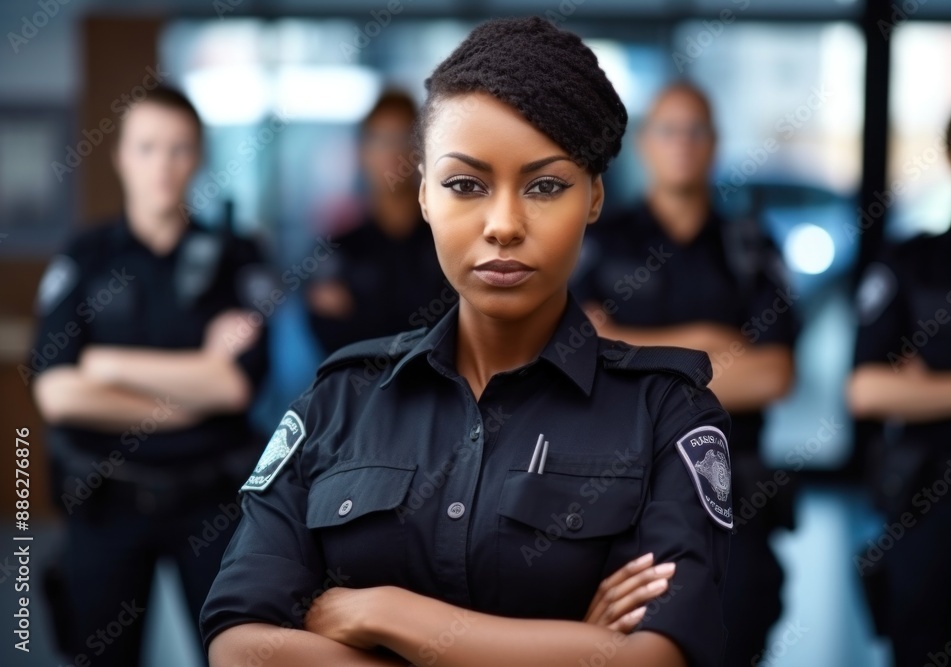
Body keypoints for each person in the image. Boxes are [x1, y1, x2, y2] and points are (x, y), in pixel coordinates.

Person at [201, 17, 732, 667]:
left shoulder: (664, 413)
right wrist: (570, 646)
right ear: (424, 192)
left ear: (594, 195)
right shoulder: (338, 403)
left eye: (545, 185)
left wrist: (386, 614)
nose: (504, 224)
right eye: (465, 184)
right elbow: (239, 645)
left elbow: (654, 658)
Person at [29, 87, 271, 666]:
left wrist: (107, 365)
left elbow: (235, 387)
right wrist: (190, 389)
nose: (162, 165)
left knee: (235, 655)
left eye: (178, 149)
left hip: (212, 503)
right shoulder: (84, 257)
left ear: (199, 157)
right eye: (147, 147)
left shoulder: (237, 257)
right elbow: (57, 394)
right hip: (105, 501)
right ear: (120, 156)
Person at [571, 82, 797, 666]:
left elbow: (772, 375)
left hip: (730, 493)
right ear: (645, 144)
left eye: (696, 130)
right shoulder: (597, 239)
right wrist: (713, 346)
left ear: (716, 143)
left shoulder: (747, 244)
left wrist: (625, 345)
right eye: (669, 129)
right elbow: (577, 357)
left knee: (736, 632)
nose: (683, 144)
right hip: (619, 491)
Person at [849, 94, 951, 665]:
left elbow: (897, 391)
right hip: (933, 500)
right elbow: (867, 390)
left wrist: (930, 387)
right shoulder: (911, 264)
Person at [306, 90, 450, 354]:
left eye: (403, 139)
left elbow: (460, 336)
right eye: (380, 140)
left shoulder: (449, 242)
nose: (392, 153)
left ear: (422, 150)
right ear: (362, 153)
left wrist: (362, 314)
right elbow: (336, 343)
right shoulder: (338, 251)